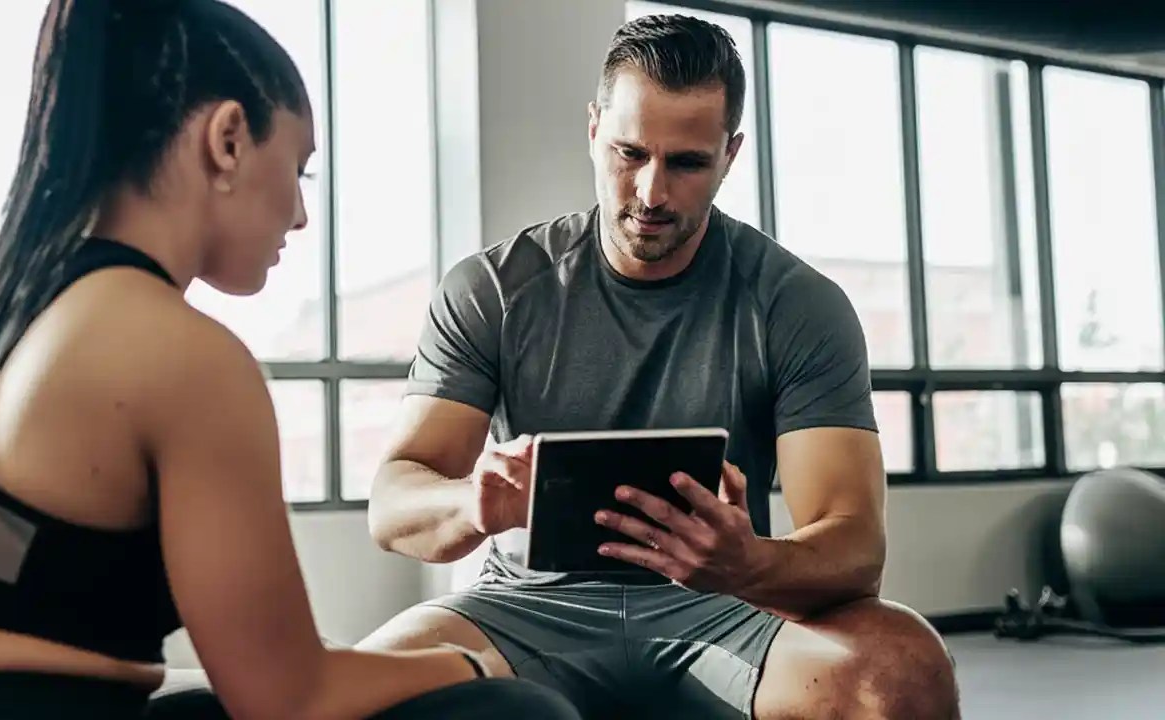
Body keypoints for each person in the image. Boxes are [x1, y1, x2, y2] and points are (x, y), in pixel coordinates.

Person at [0, 1, 582, 719]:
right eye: (301, 171)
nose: (302, 216)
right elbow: (288, 699)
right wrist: (467, 662)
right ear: (227, 139)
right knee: (517, 710)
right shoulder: (175, 351)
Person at [363, 13, 961, 720]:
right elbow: (395, 501)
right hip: (524, 609)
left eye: (686, 162)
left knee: (904, 667)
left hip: (729, 611)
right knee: (369, 686)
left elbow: (855, 545)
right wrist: (472, 502)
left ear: (729, 155)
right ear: (593, 130)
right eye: (629, 153)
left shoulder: (795, 304)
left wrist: (748, 564)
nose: (650, 192)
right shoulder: (494, 288)